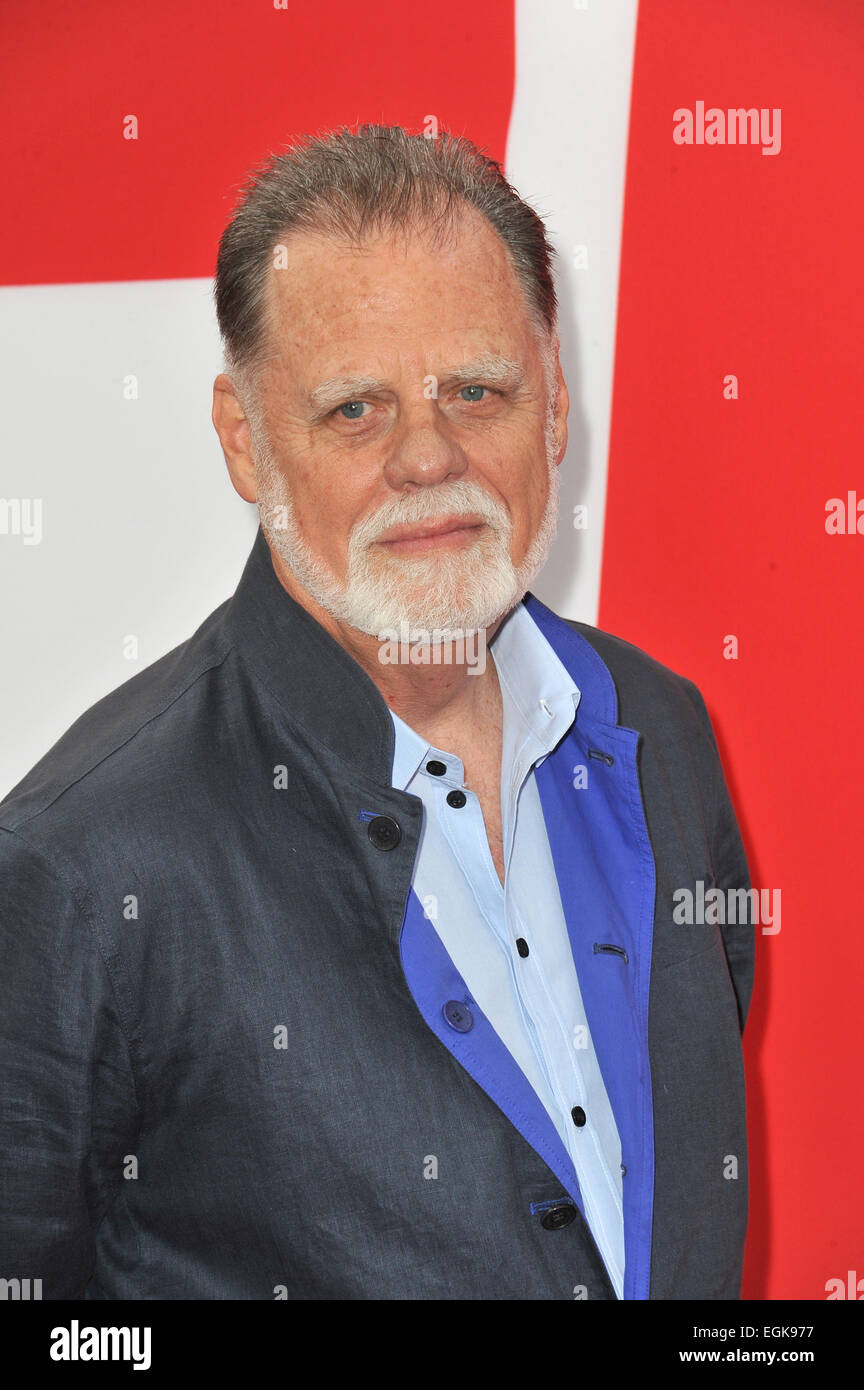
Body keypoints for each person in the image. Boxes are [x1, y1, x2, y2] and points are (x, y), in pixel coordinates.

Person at [0, 125, 753, 1300]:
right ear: (247, 443)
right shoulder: (81, 858)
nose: (427, 454)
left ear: (555, 407)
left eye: (477, 389)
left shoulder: (662, 729)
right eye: (356, 408)